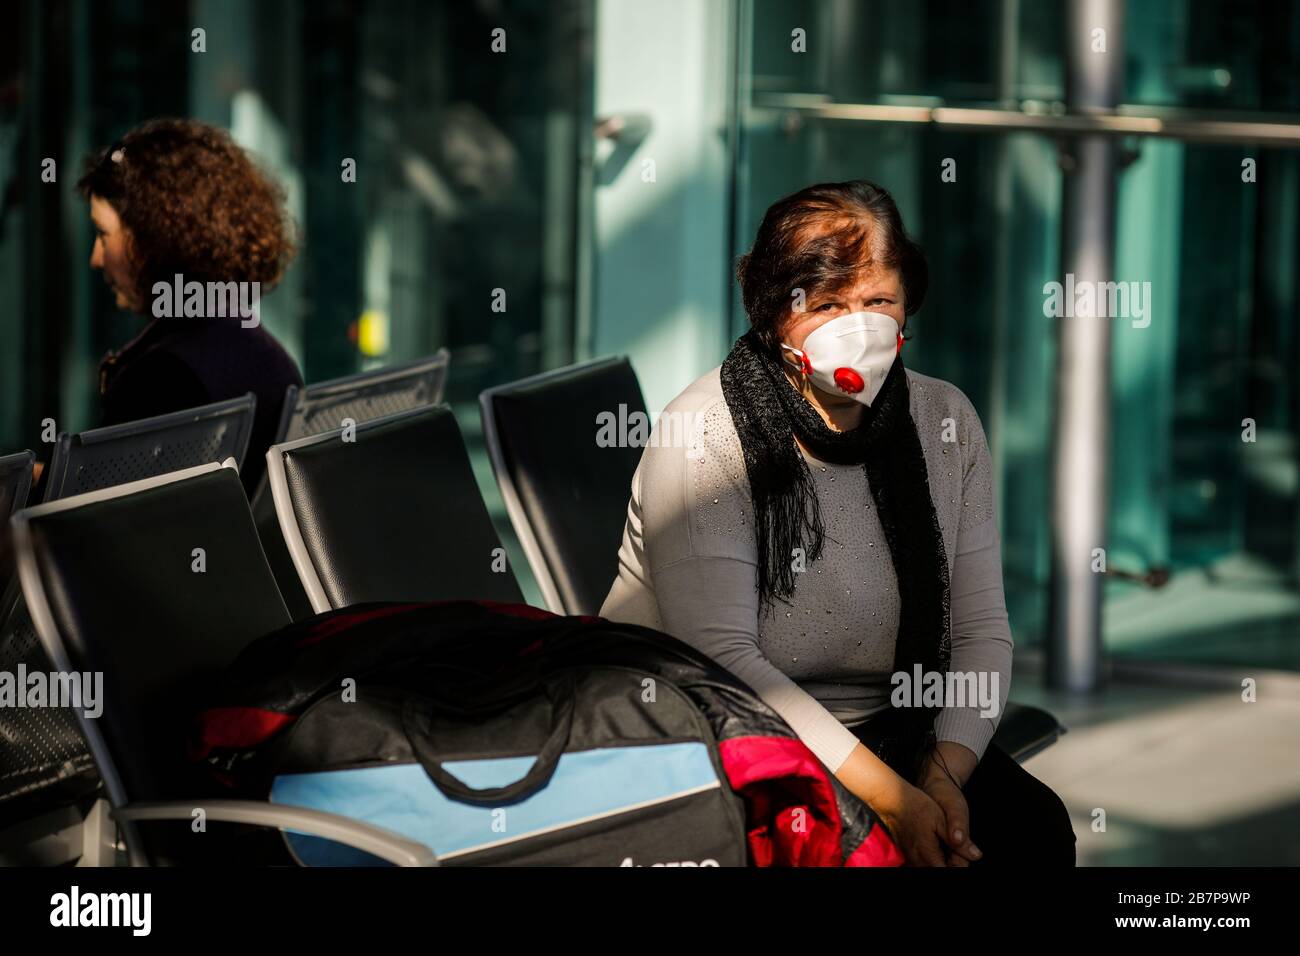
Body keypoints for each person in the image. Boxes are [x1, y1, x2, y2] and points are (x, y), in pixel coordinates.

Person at [600, 180, 1076, 866]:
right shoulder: (703, 436)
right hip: (721, 735)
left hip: (896, 727)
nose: (858, 326)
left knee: (1032, 830)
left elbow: (980, 633)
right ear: (771, 315)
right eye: (826, 304)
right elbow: (727, 666)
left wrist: (941, 778)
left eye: (878, 301)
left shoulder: (945, 422)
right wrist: (891, 800)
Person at [75, 117, 302, 494]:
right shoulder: (259, 349)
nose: (95, 258)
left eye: (103, 234)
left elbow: (103, 519)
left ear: (154, 239)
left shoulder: (164, 376)